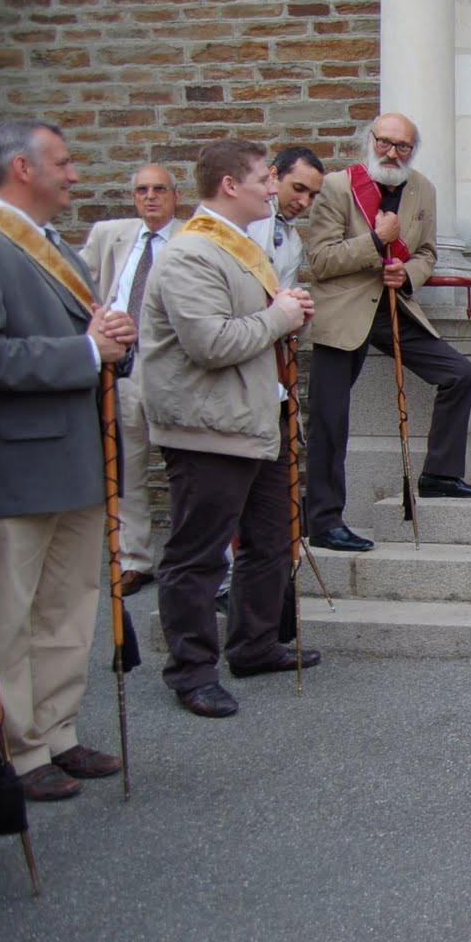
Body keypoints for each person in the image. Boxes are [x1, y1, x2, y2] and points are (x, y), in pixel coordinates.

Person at [140, 138, 320, 718]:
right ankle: (191, 671)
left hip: (255, 419)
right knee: (197, 556)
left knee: (269, 541)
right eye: (264, 178)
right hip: (208, 427)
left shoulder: (241, 248)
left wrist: (285, 310)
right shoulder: (192, 253)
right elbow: (211, 343)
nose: (273, 187)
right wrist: (280, 315)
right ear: (229, 185)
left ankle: (254, 643)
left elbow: (254, 326)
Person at [0, 118, 134, 798]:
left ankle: (58, 732)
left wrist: (112, 337)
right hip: (16, 466)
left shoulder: (54, 248)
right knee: (10, 616)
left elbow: (89, 336)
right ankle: (16, 753)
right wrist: (84, 353)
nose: (75, 174)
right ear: (23, 168)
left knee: (68, 608)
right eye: (64, 163)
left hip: (77, 457)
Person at [303, 113, 471, 553]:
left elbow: (426, 252)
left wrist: (408, 272)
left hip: (392, 307)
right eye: (385, 142)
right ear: (369, 141)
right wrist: (374, 240)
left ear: (413, 149)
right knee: (330, 418)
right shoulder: (337, 186)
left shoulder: (423, 188)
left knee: (459, 373)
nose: (392, 152)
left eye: (402, 146)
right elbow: (321, 261)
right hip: (344, 312)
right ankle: (324, 520)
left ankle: (440, 474)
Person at [79, 163, 184, 596]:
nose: (150, 197)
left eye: (159, 189)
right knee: (126, 465)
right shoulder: (111, 235)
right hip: (121, 364)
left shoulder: (190, 239)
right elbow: (75, 282)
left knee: (185, 463)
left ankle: (190, 560)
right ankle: (134, 559)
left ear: (175, 195)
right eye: (142, 190)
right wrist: (95, 319)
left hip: (172, 364)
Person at [249, 146, 325, 289]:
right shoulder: (248, 215)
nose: (305, 202)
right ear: (273, 175)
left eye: (312, 195)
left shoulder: (294, 242)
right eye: (298, 188)